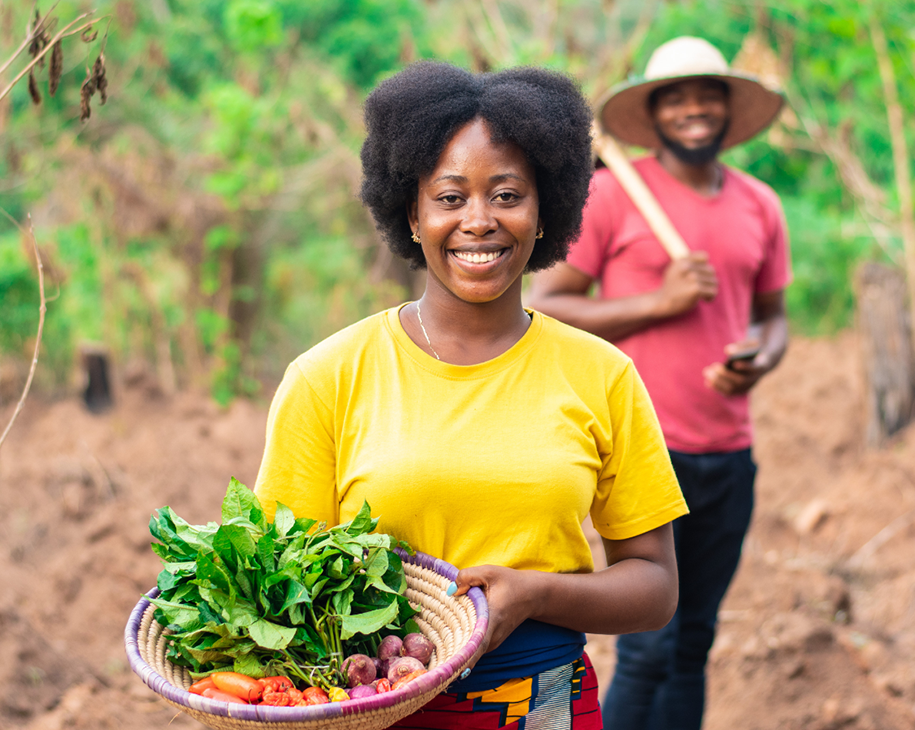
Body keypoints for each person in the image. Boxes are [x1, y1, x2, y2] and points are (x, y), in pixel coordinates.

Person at [252, 61, 688, 729]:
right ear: (412, 214)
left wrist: (538, 593)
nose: (479, 221)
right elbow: (275, 584)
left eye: (507, 195)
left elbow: (655, 587)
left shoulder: (602, 375)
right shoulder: (329, 376)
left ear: (544, 211)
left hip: (542, 706)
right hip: (370, 707)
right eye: (450, 198)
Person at [528, 37, 791, 730]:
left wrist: (759, 359)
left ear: (729, 109)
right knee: (648, 649)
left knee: (695, 641)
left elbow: (773, 318)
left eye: (708, 95)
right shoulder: (612, 196)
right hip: (645, 452)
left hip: (729, 453)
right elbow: (547, 305)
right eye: (676, 98)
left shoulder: (761, 205)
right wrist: (659, 302)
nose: (693, 109)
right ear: (653, 113)